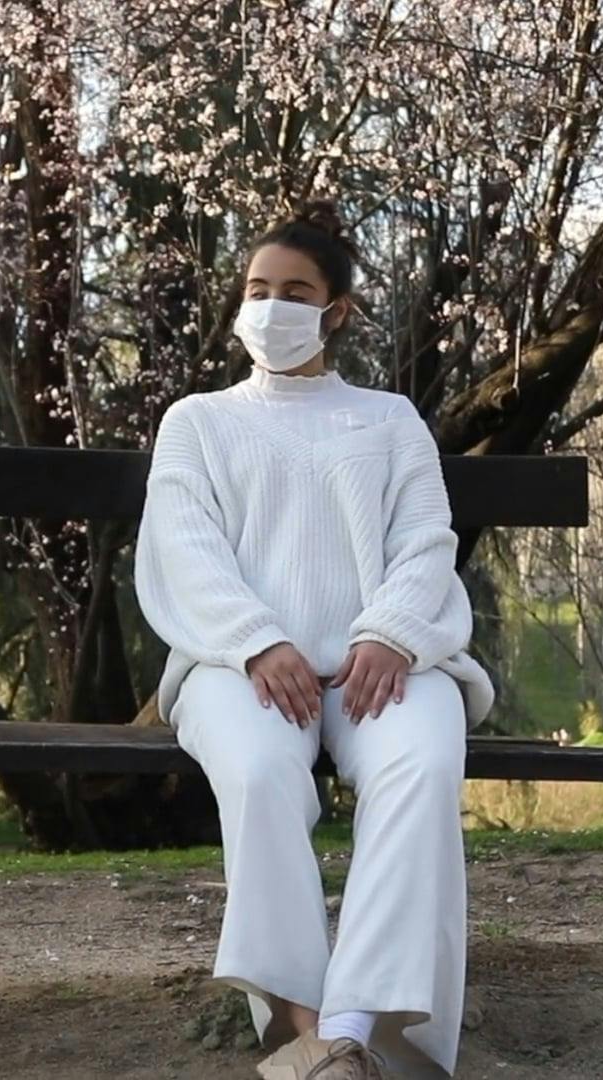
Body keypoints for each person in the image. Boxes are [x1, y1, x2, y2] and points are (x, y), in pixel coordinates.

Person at [134, 201, 495, 1080]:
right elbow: (186, 549)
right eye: (257, 289)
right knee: (259, 774)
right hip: (237, 665)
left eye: (295, 291)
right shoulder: (198, 421)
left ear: (336, 310)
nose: (271, 307)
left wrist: (391, 635)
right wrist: (257, 639)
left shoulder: (389, 418)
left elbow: (426, 541)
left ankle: (348, 1032)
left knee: (419, 767)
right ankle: (308, 1030)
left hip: (382, 665)